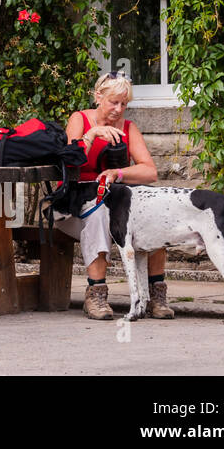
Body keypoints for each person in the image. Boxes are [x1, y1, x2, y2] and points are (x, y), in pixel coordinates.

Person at [60, 71, 172, 321]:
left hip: (115, 200)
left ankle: (157, 294)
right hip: (76, 203)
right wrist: (92, 135)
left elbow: (149, 171)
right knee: (99, 213)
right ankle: (96, 293)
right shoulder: (80, 120)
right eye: (114, 102)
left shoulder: (128, 128)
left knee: (152, 211)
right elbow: (70, 165)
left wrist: (117, 173)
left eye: (124, 104)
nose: (119, 109)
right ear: (98, 96)